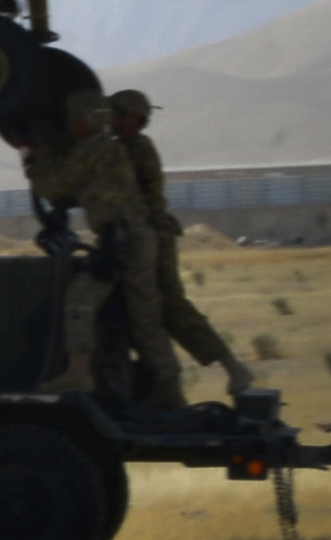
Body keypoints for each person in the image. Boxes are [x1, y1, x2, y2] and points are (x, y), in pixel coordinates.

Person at [104, 89, 268, 407]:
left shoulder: (136, 148)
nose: (110, 121)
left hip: (152, 238)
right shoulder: (125, 147)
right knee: (151, 310)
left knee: (169, 307)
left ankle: (231, 368)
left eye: (116, 115)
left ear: (132, 119)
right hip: (142, 237)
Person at [21, 90, 181, 406]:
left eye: (73, 119)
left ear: (83, 121)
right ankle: (171, 389)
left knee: (80, 300)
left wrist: (34, 163)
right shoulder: (109, 149)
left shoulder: (92, 150)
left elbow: (55, 186)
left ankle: (79, 372)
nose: (70, 124)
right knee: (145, 318)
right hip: (135, 237)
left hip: (119, 239)